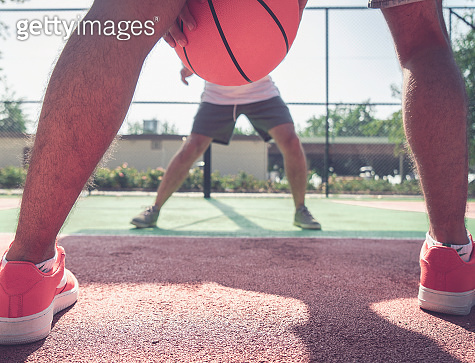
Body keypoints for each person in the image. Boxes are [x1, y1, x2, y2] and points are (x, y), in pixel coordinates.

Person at [0, 0, 472, 345]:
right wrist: (190, 60)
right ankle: (451, 254)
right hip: (220, 89)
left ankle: (27, 265)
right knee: (421, 37)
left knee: (121, 18)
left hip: (261, 85)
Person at [130, 67, 321, 230]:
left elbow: (271, 42)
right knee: (192, 147)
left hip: (261, 91)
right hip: (217, 94)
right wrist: (189, 64)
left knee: (291, 140)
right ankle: (154, 209)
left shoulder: (253, 22)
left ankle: (300, 210)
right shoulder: (206, 22)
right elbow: (195, 48)